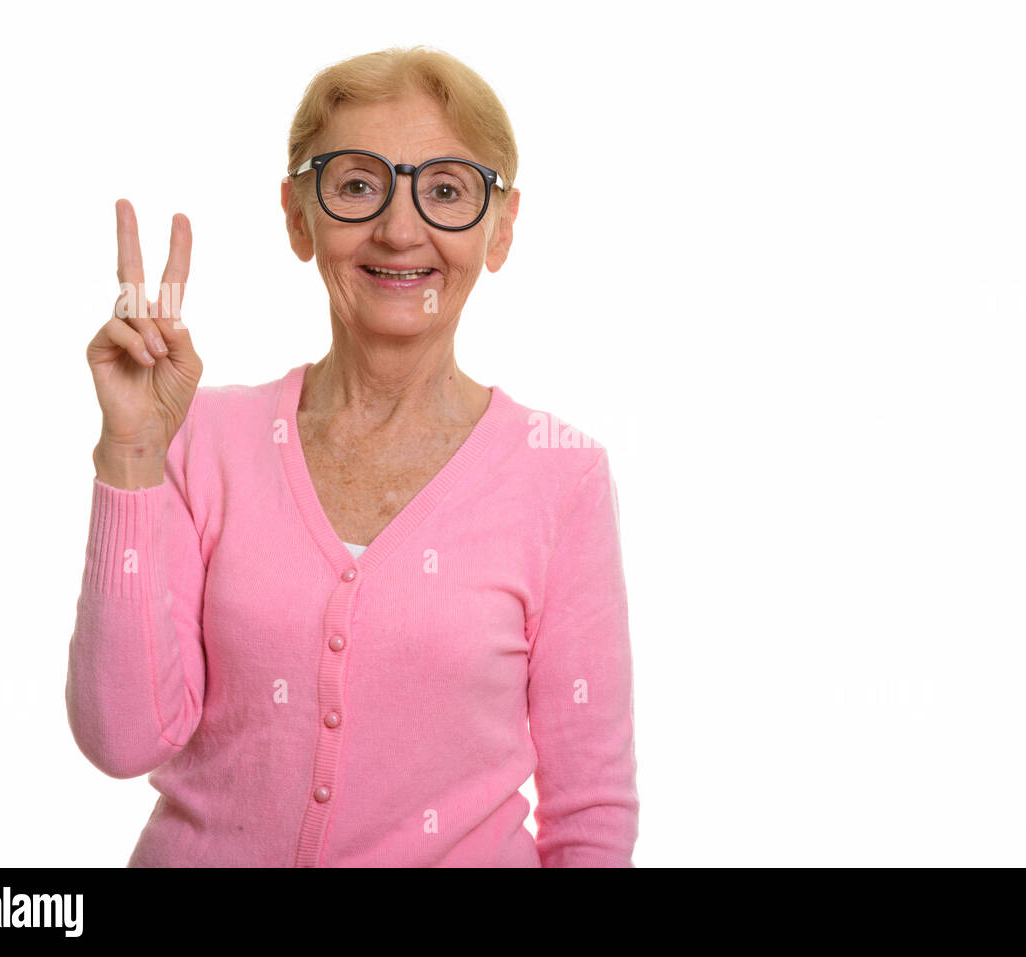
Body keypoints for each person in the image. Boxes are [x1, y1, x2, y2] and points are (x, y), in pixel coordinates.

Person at [67, 46, 638, 867]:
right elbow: (122, 740)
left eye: (446, 190)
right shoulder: (202, 437)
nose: (400, 230)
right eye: (358, 185)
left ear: (501, 228)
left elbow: (591, 817)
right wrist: (130, 452)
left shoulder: (562, 476)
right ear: (300, 216)